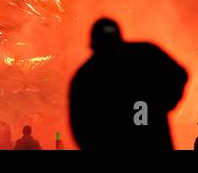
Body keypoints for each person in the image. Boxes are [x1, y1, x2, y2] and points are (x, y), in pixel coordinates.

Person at [68, 17, 188, 150]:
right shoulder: (145, 53)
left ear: (93, 43)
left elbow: (79, 126)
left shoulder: (85, 76)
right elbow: (179, 74)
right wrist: (163, 105)